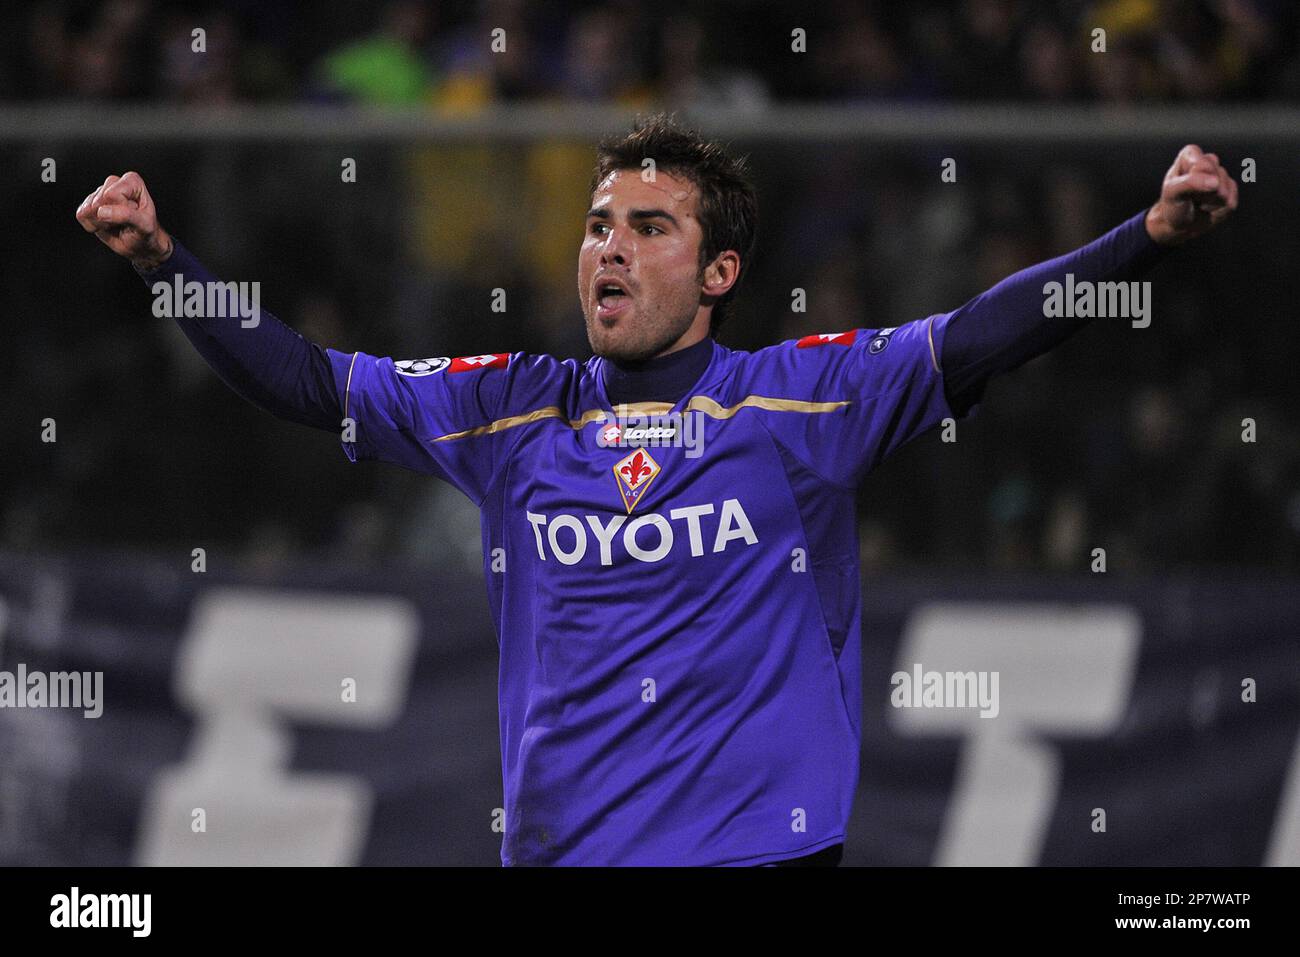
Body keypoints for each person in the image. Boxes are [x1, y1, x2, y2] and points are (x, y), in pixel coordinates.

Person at [75, 114, 1237, 866]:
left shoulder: (801, 403)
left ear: (719, 272)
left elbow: (984, 334)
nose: (608, 250)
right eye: (593, 227)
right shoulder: (509, 410)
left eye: (647, 227)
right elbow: (308, 381)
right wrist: (161, 265)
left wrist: (1143, 238)